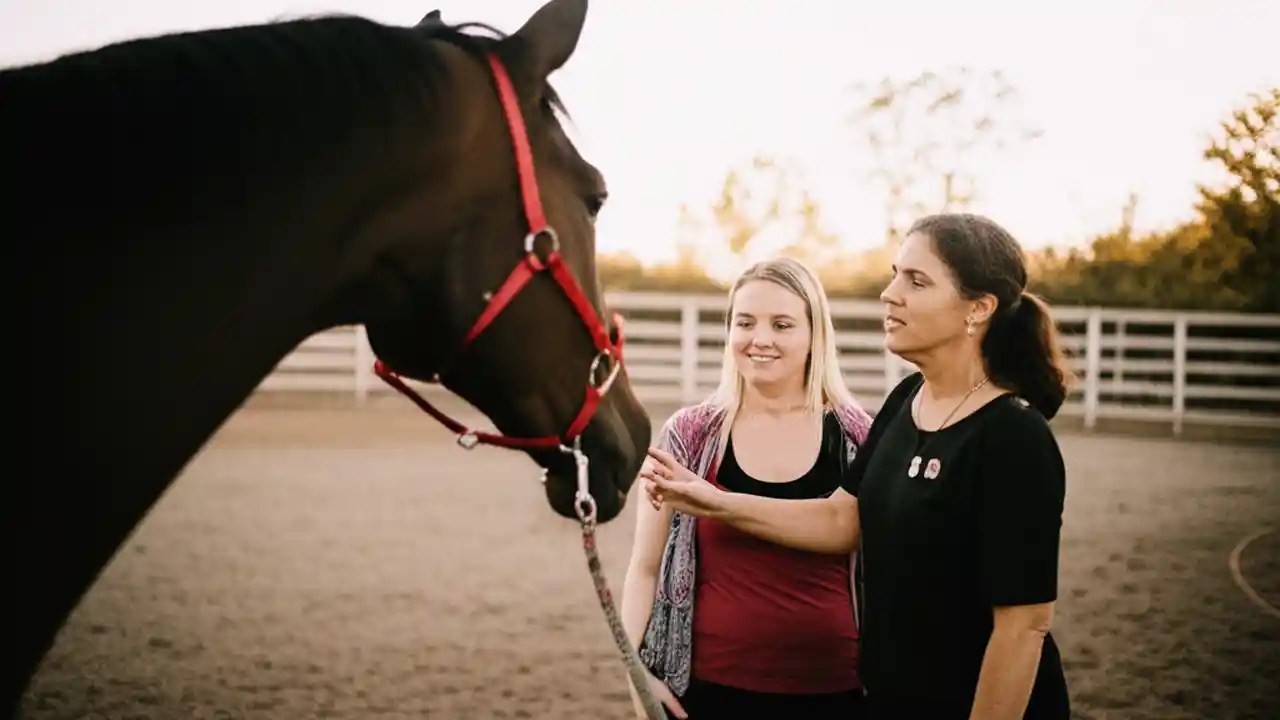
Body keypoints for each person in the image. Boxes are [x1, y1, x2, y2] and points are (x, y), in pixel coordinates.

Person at [644, 213, 1073, 719]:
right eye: (895, 274)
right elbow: (840, 520)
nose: (890, 293)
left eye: (916, 280)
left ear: (977, 309)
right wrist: (711, 500)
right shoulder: (905, 402)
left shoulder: (1013, 437)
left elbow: (1024, 626)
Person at [621, 257, 873, 719]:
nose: (760, 339)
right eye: (745, 322)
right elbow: (644, 567)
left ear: (815, 334)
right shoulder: (690, 436)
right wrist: (635, 674)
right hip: (705, 693)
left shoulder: (858, 437)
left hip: (836, 693)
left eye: (781, 324)